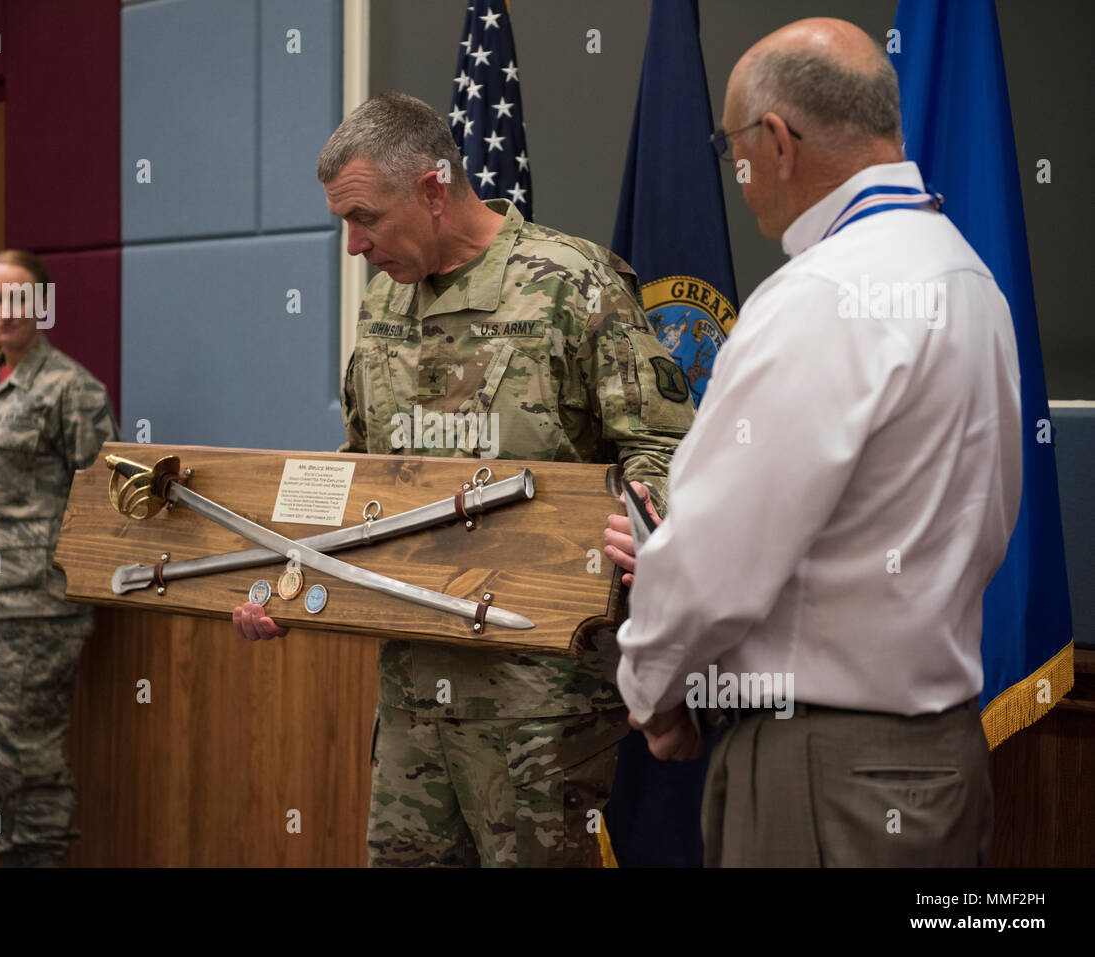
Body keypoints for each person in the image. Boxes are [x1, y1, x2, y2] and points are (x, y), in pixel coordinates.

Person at [233, 92, 693, 866]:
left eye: (365, 218)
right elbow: (365, 465)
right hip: (414, 694)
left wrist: (652, 514)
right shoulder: (384, 300)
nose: (353, 246)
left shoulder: (569, 282)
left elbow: (663, 442)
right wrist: (281, 570)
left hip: (542, 702)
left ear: (434, 191)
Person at [606, 18, 1022, 866]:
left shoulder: (818, 296)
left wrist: (653, 693)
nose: (739, 177)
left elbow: (714, 563)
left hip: (819, 777)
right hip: (942, 757)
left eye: (733, 152)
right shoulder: (972, 280)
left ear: (778, 141)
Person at [0, 249, 120, 867]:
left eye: (18, 297)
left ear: (41, 305)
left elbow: (106, 497)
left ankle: (37, 859)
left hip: (37, 605)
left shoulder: (72, 390)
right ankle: (10, 854)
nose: (4, 311)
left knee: (28, 752)